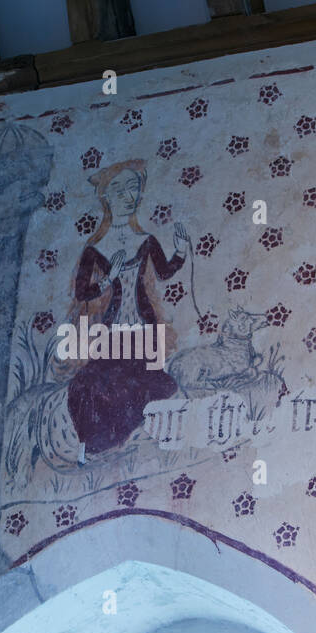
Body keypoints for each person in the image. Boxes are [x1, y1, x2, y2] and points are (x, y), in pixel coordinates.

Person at [64, 160, 189, 460]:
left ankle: (125, 443)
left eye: (133, 187)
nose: (127, 195)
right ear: (106, 196)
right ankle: (91, 446)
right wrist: (107, 279)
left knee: (137, 385)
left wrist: (181, 251)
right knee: (89, 384)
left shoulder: (144, 240)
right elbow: (82, 292)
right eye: (118, 189)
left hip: (144, 332)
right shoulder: (95, 248)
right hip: (110, 332)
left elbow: (164, 271)